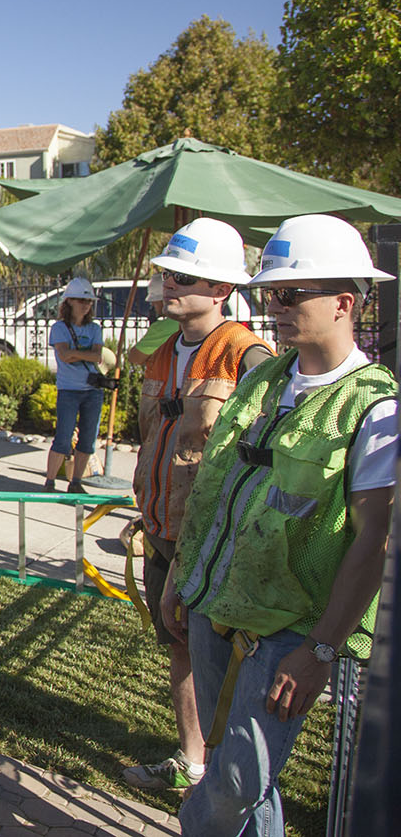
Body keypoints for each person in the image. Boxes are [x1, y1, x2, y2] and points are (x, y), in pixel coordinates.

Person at [163, 214, 396, 837]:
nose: (276, 306)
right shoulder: (265, 378)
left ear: (344, 302)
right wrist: (182, 580)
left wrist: (320, 648)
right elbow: (212, 486)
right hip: (217, 606)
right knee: (244, 783)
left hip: (288, 633)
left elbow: (373, 540)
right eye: (271, 293)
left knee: (236, 778)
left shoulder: (374, 407)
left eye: (292, 294)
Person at [123, 219, 273, 793]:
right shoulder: (162, 347)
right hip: (164, 529)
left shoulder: (246, 354)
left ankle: (229, 777)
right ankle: (193, 761)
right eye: (166, 273)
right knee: (178, 646)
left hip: (213, 541)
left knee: (217, 658)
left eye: (185, 276)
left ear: (222, 290)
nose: (169, 284)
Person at [45, 277, 105, 493]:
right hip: (69, 389)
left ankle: (76, 481)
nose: (85, 304)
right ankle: (50, 481)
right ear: (69, 301)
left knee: (88, 439)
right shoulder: (59, 328)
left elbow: (97, 355)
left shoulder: (95, 328)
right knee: (63, 436)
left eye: (88, 301)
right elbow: (64, 355)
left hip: (92, 390)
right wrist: (85, 355)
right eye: (81, 300)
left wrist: (76, 354)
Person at [127, 274, 181, 367]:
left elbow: (135, 358)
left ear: (164, 300)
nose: (152, 304)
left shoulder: (162, 328)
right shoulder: (193, 321)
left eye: (154, 301)